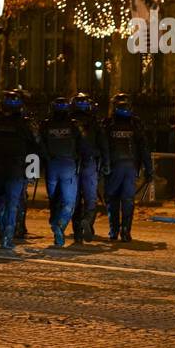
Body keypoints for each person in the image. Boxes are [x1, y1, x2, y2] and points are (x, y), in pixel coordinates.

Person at [0, 89, 41, 251]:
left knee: (0, 202)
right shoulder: (25, 125)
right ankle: (7, 235)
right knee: (12, 203)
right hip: (16, 171)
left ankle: (3, 230)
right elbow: (34, 150)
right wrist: (33, 173)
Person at [103, 93, 153, 242]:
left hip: (114, 167)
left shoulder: (108, 124)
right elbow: (144, 148)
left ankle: (114, 231)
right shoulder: (135, 124)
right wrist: (149, 170)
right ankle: (126, 231)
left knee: (112, 199)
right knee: (128, 200)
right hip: (131, 167)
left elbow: (103, 147)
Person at [39, 96, 85, 248]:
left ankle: (55, 227)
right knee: (69, 202)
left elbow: (39, 145)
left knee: (54, 200)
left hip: (52, 167)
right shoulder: (73, 126)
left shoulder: (46, 125)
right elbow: (83, 146)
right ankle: (59, 226)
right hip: (68, 166)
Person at [70, 92, 107, 243]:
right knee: (91, 198)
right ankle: (88, 220)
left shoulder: (69, 122)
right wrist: (106, 163)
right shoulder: (95, 124)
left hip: (72, 164)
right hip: (90, 163)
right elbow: (103, 144)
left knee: (76, 199)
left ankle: (77, 231)